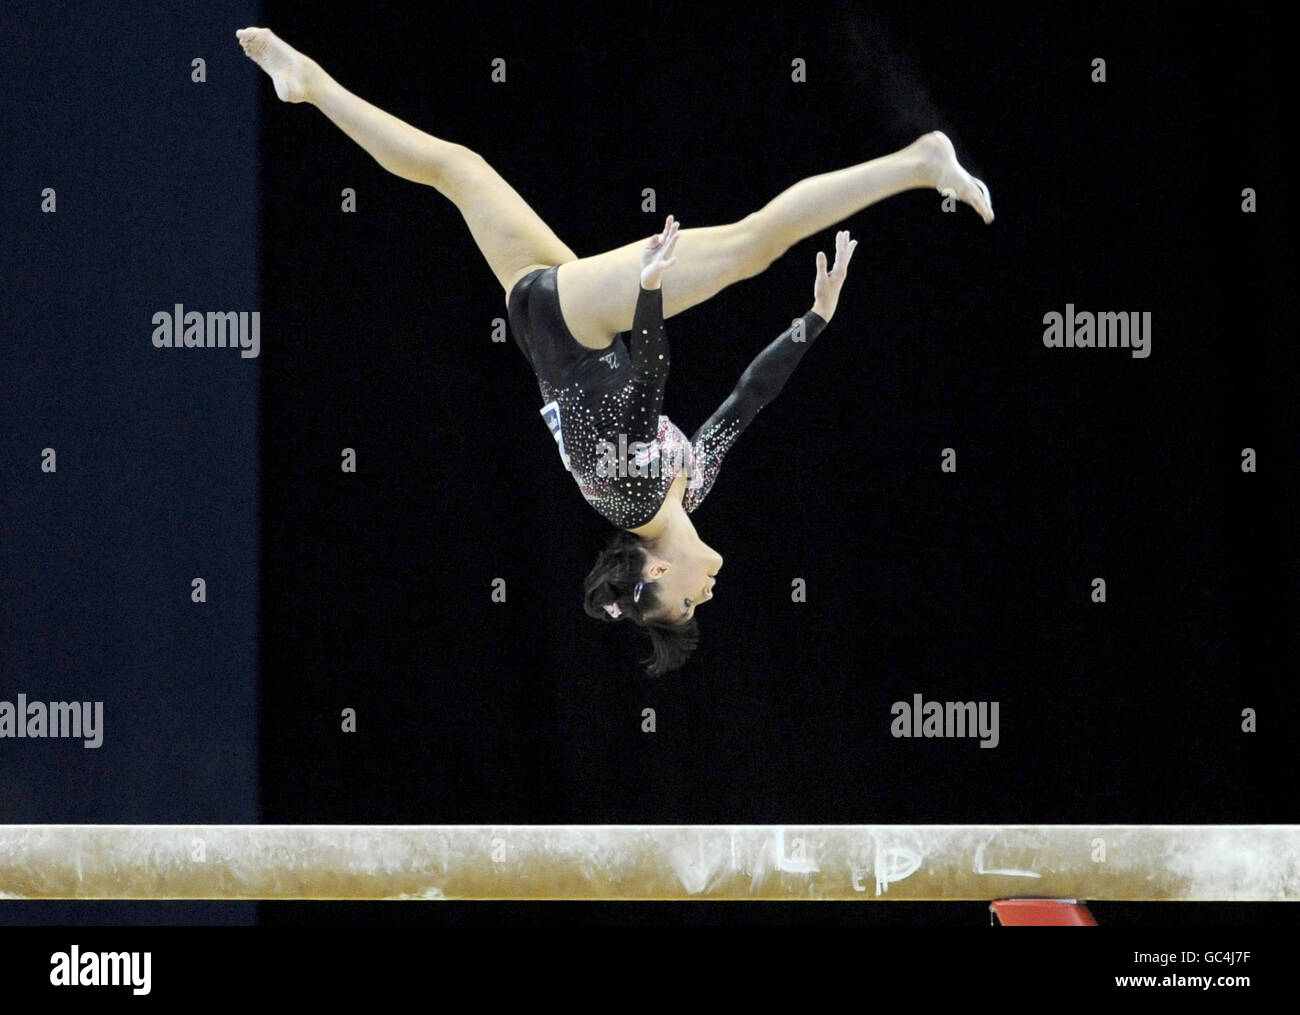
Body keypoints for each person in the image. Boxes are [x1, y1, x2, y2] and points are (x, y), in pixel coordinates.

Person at [237, 26, 993, 675]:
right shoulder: (685, 490)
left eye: (687, 596)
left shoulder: (627, 495)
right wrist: (814, 321)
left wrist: (651, 295)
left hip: (580, 326)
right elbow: (745, 401)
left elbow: (650, 386)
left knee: (754, 246)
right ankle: (311, 85)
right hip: (553, 315)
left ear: (658, 571)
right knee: (455, 169)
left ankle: (921, 162)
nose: (707, 592)